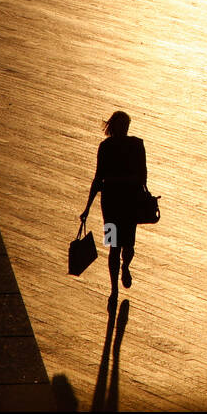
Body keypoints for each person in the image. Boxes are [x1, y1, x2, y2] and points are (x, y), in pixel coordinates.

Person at [81, 112, 146, 304]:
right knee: (115, 246)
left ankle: (124, 269)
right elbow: (98, 177)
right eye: (122, 125)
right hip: (116, 205)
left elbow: (99, 179)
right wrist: (87, 208)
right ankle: (114, 287)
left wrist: (88, 208)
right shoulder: (112, 146)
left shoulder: (130, 145)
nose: (124, 128)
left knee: (124, 246)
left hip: (119, 204)